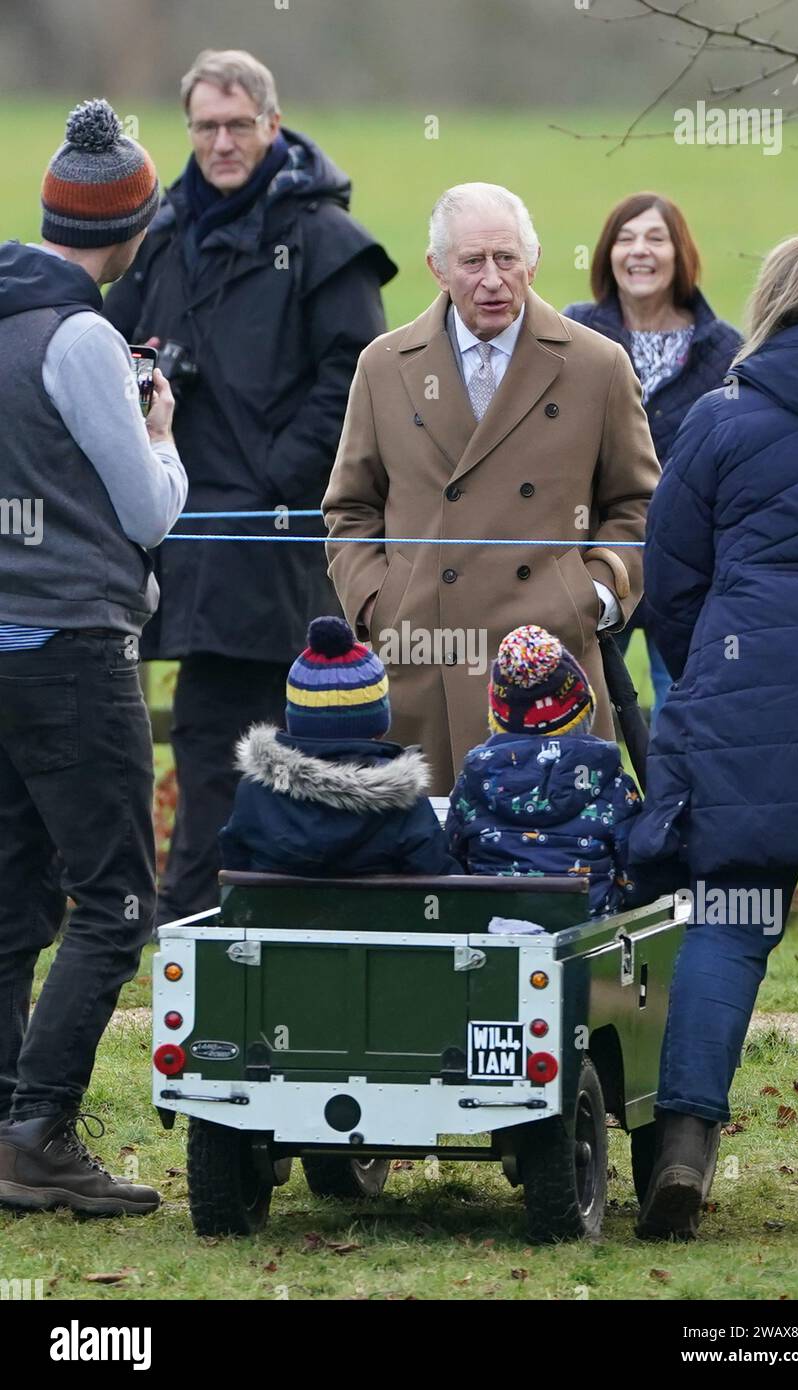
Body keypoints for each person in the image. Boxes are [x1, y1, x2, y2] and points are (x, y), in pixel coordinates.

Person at [104, 49, 397, 928]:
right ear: (187, 132)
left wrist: (280, 474)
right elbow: (106, 350)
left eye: (238, 125)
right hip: (187, 530)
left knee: (305, 744)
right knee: (201, 744)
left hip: (280, 540)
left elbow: (357, 374)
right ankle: (194, 929)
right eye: (206, 127)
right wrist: (149, 382)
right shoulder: (159, 238)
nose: (222, 143)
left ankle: (310, 921)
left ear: (273, 125)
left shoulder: (322, 242)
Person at [628, 233, 798, 1240]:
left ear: (766, 304)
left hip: (747, 710)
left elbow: (667, 583)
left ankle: (682, 1149)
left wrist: (714, 679)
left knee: (725, 924)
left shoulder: (719, 418)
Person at [0, 100, 187, 1214]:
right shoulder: (81, 337)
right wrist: (158, 426)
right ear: (134, 228)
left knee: (11, 901)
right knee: (115, 900)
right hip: (71, 647)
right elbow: (150, 511)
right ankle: (39, 1131)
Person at [323, 182, 659, 795]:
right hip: (421, 663)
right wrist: (379, 602)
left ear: (532, 263)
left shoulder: (597, 365)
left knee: (546, 875)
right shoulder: (384, 364)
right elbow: (351, 507)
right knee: (424, 869)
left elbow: (637, 505)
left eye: (507, 259)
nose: (493, 280)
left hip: (550, 668)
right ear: (438, 269)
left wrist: (594, 596)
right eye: (473, 262)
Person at [563, 193, 740, 728]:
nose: (639, 251)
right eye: (625, 238)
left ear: (680, 254)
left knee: (681, 716)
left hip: (689, 567)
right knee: (576, 714)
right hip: (592, 560)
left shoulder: (725, 348)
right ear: (606, 254)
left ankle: (669, 812)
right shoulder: (571, 334)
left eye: (655, 238)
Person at [219, 616, 457, 876]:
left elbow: (235, 870)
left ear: (294, 718)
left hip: (269, 916)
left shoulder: (258, 791)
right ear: (379, 723)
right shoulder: (402, 802)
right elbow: (439, 882)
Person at [446, 625, 640, 914]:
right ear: (584, 710)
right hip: (591, 941)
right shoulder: (613, 783)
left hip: (490, 938)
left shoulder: (471, 783)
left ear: (498, 716)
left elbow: (453, 862)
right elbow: (635, 877)